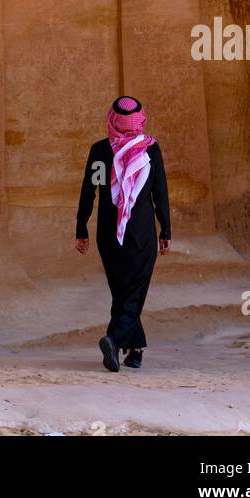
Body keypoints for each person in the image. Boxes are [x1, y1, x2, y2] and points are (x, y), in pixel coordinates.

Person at [75, 95, 171, 372]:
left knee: (122, 290)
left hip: (108, 232)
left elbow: (88, 192)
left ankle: (136, 349)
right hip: (140, 233)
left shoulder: (100, 152)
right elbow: (160, 193)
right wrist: (165, 229)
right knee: (134, 290)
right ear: (140, 120)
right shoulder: (150, 151)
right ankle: (115, 339)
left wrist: (81, 228)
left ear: (112, 120)